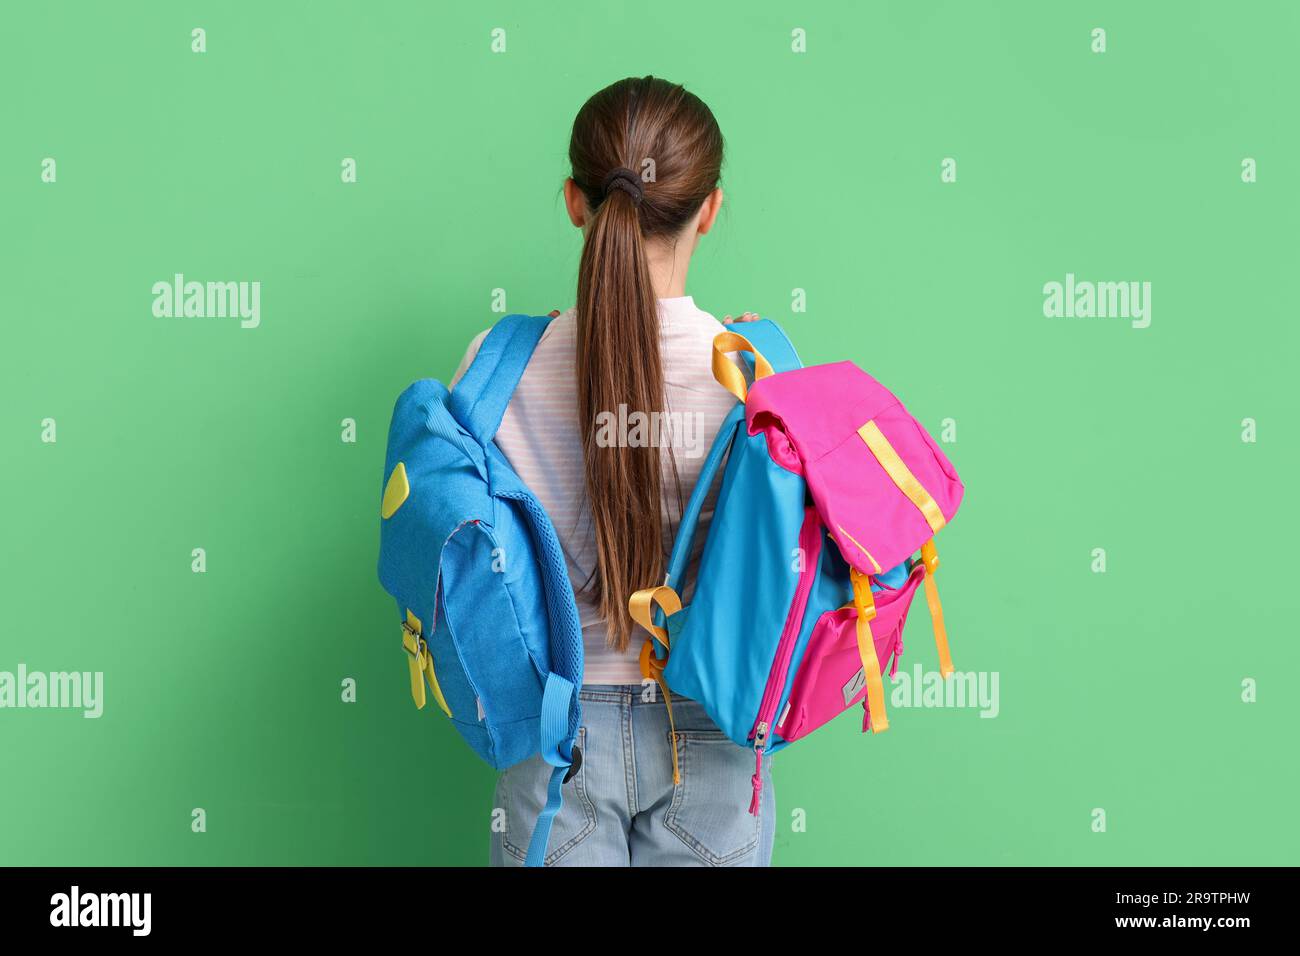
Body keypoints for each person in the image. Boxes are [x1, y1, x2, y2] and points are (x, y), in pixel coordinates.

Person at [451, 76, 774, 866]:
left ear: (573, 200)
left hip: (552, 735)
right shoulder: (757, 376)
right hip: (713, 729)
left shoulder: (496, 369)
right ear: (710, 209)